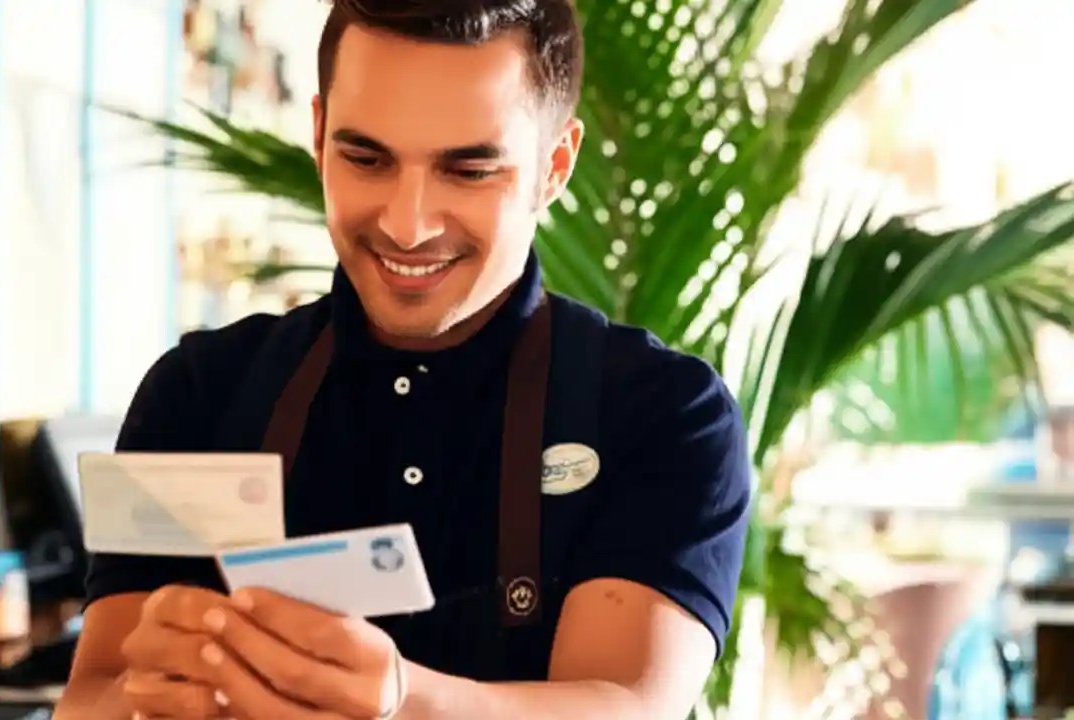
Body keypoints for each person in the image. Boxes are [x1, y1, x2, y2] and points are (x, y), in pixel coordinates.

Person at [56, 0, 752, 717]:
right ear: (320, 134)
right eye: (366, 158)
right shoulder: (197, 391)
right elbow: (89, 697)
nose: (406, 224)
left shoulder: (665, 412)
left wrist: (400, 698)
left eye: (469, 170)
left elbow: (627, 705)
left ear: (555, 166)